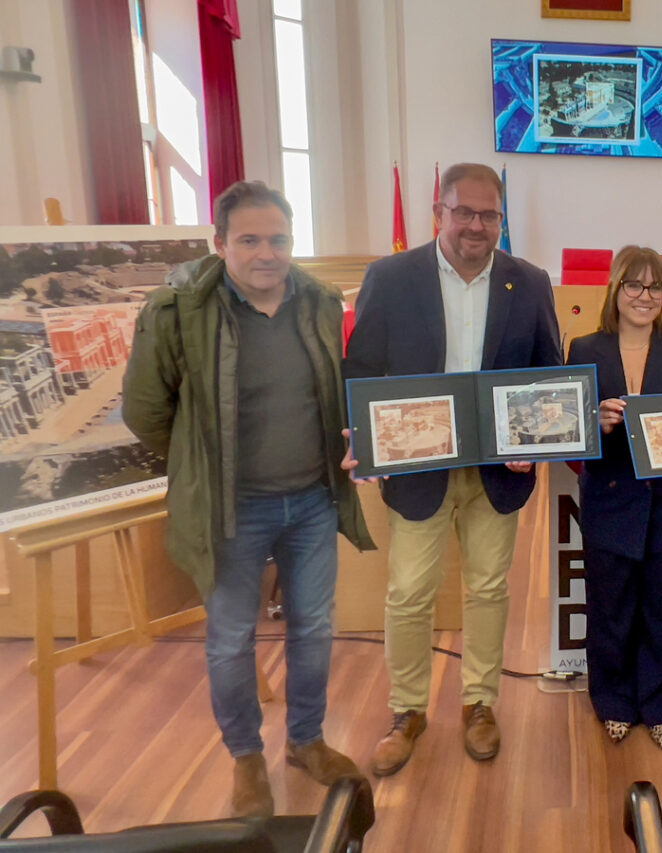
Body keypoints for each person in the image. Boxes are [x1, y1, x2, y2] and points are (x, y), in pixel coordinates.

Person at [121, 180, 375, 818]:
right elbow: (147, 412)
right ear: (220, 243)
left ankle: (306, 741)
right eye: (250, 239)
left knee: (314, 628)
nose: (267, 253)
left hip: (313, 499)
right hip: (231, 510)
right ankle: (244, 757)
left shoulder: (317, 300)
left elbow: (333, 390)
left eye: (279, 239)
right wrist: (198, 464)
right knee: (231, 637)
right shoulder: (179, 310)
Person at [343, 162, 561, 772]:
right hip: (419, 467)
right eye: (463, 211)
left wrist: (536, 443)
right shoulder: (390, 277)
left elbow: (547, 375)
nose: (476, 225)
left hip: (498, 471)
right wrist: (365, 434)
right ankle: (407, 710)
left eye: (489, 214)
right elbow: (360, 368)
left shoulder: (530, 281)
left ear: (501, 219)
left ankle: (480, 703)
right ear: (439, 212)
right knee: (409, 592)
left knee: (489, 588)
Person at [565, 246, 662, 749]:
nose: (645, 297)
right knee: (611, 608)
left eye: (655, 288)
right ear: (616, 289)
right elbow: (566, 435)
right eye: (635, 285)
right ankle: (615, 701)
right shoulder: (583, 348)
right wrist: (592, 424)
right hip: (610, 498)